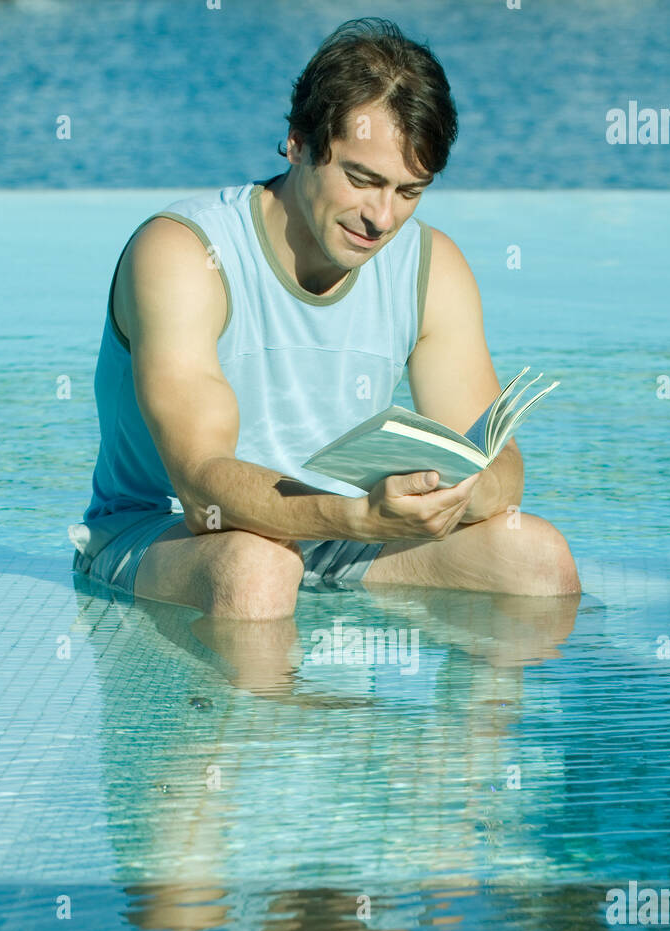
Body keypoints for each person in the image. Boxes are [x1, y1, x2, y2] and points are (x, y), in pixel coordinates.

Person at [70, 17, 580, 619]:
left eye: (409, 191)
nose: (382, 218)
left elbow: (499, 470)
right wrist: (356, 515)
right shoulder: (183, 253)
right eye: (362, 180)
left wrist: (444, 492)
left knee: (536, 557)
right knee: (257, 568)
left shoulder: (432, 265)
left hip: (344, 531)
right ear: (298, 143)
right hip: (173, 535)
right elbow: (202, 486)